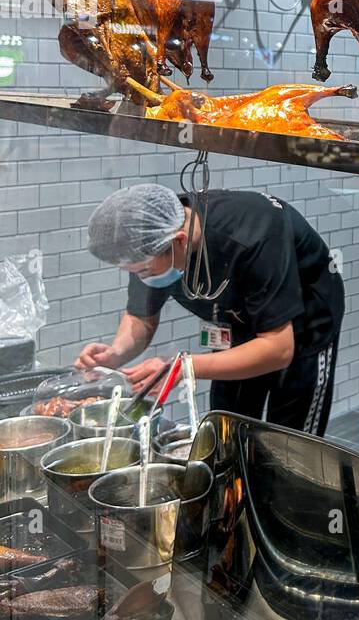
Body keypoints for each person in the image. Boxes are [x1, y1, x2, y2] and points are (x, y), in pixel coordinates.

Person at [78, 184, 343, 435]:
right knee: (226, 425)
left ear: (179, 242)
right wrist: (115, 354)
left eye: (145, 270)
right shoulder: (149, 235)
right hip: (235, 320)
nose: (142, 277)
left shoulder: (252, 235)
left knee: (289, 442)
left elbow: (279, 348)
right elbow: (141, 317)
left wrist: (185, 367)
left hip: (302, 326)